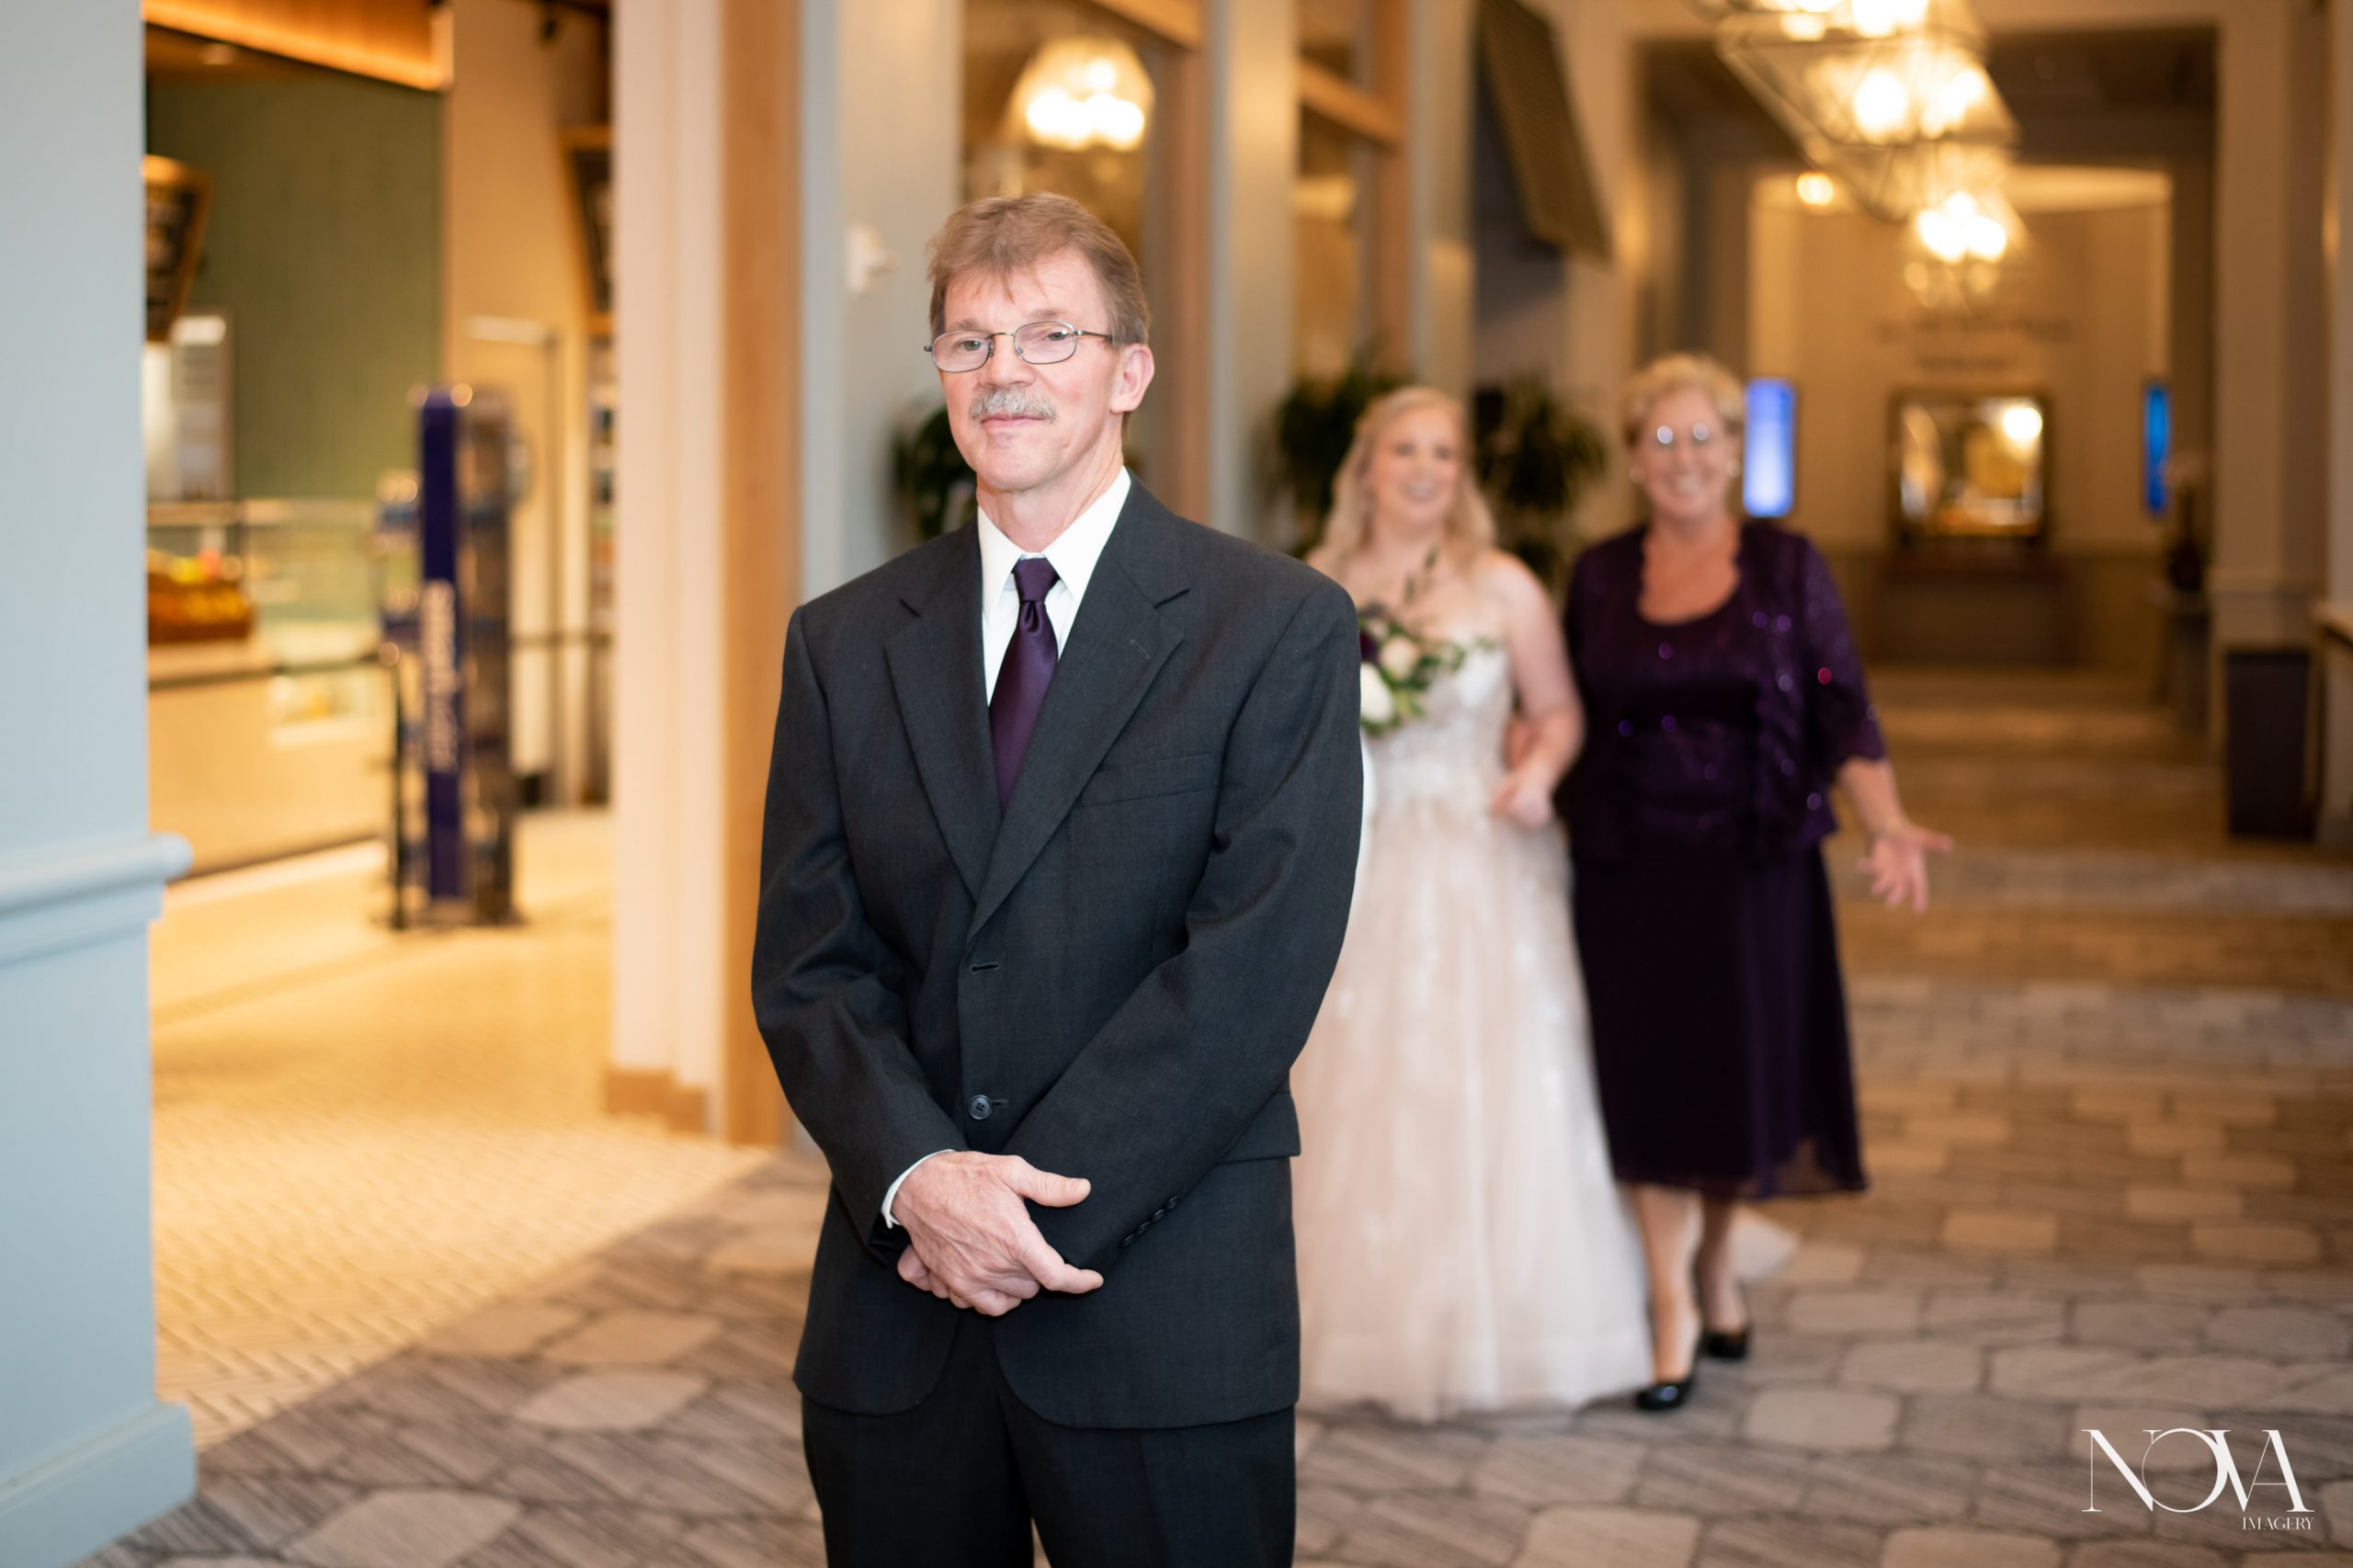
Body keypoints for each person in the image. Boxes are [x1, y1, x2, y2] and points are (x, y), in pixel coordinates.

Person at [751, 193, 1363, 1566]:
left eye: (1048, 335)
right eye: (968, 343)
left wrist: (1010, 1213)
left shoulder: (1274, 627)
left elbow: (1251, 972)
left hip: (1158, 1301)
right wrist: (920, 1180)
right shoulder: (844, 642)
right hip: (902, 1301)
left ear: (1128, 371)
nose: (1004, 373)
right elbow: (809, 964)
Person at [1562, 353, 1949, 1413]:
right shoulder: (1596, 573)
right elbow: (1560, 714)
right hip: (1626, 870)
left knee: (1733, 1087)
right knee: (1642, 1084)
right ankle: (1666, 1305)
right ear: (1634, 458)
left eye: (1706, 438)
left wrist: (1887, 822)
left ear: (1736, 452)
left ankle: (1716, 1261)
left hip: (1752, 872)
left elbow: (1843, 710)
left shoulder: (1786, 566)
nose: (1685, 458)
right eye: (1663, 439)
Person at [1293, 387, 1651, 1421]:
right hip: (1360, 858)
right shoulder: (1318, 584)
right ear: (1365, 465)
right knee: (1358, 1085)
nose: (1424, 468)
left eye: (1443, 453)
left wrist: (1538, 773)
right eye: (1405, 448)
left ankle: (1512, 1317)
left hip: (1481, 855)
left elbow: (1558, 711)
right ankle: (1359, 1319)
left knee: (1490, 1080)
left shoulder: (1504, 586)